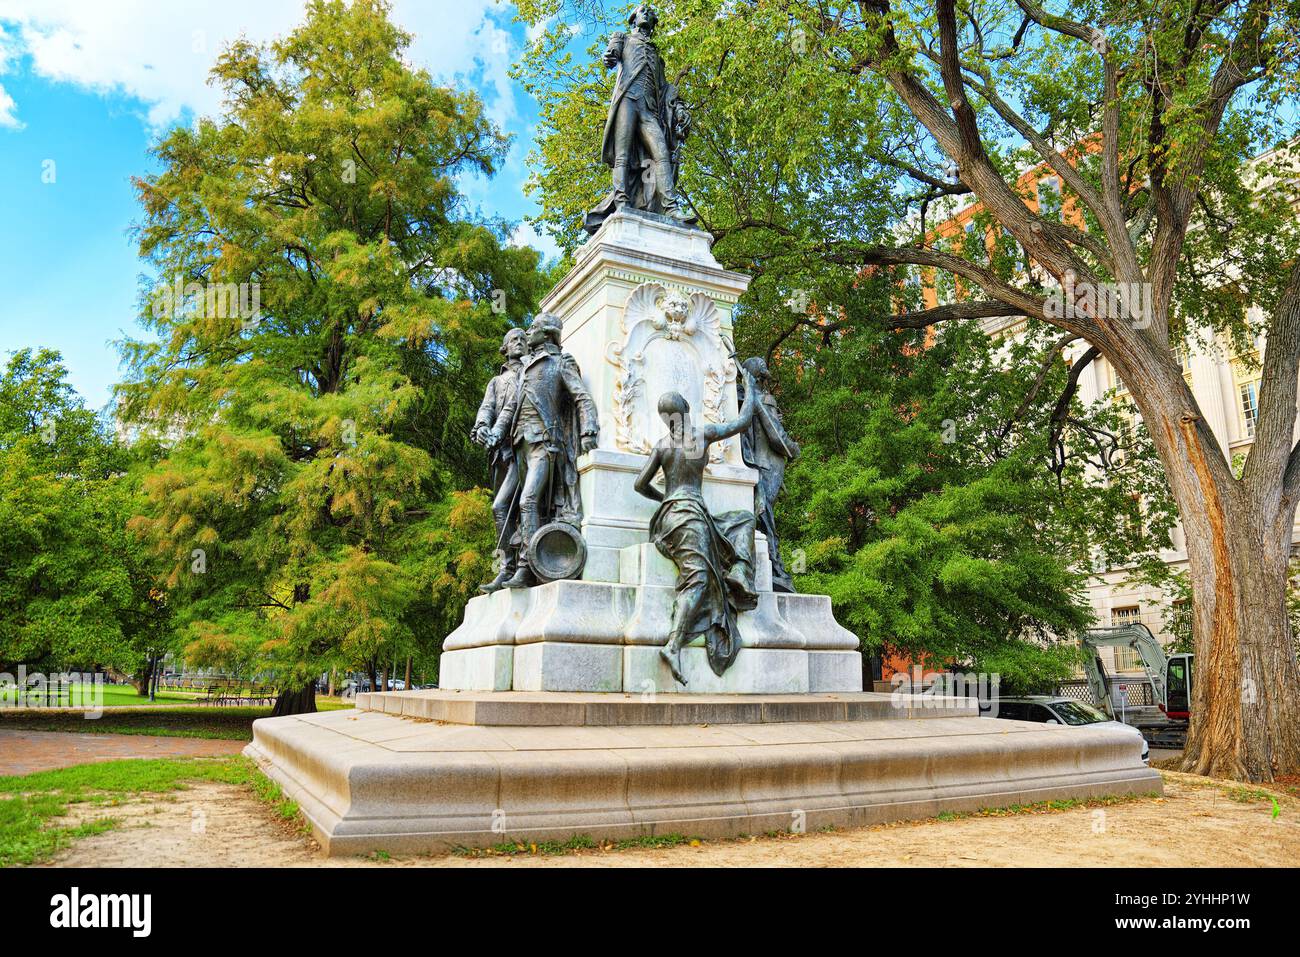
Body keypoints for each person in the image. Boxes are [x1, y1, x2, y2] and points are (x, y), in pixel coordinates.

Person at [633, 365, 759, 685]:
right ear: (686, 409)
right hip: (690, 515)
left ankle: (739, 573)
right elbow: (743, 422)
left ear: (664, 418)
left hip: (673, 514)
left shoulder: (663, 445)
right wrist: (751, 386)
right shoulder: (702, 434)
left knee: (742, 519)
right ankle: (673, 644)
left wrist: (665, 498)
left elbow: (639, 485)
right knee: (699, 577)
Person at [488, 313, 599, 588]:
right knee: (500, 507)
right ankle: (507, 565)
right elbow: (511, 408)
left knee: (528, 501)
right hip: (519, 446)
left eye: (535, 328)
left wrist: (589, 430)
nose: (529, 331)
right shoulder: (525, 366)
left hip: (544, 445)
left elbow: (582, 397)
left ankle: (527, 567)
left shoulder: (560, 364)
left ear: (548, 334)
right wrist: (495, 434)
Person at [583, 3, 693, 233]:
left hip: (649, 110)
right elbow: (611, 57)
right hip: (628, 101)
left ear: (653, 24)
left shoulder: (656, 55)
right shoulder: (622, 38)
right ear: (634, 19)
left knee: (661, 154)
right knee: (622, 154)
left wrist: (680, 110)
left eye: (651, 13)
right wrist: (609, 57)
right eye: (643, 11)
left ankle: (671, 208)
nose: (647, 14)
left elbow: (665, 89)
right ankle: (622, 203)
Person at [738, 357, 801, 592]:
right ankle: (774, 569)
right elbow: (777, 437)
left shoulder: (746, 397)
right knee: (765, 518)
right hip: (766, 466)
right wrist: (794, 448)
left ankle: (772, 568)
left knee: (764, 517)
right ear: (761, 375)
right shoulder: (761, 398)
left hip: (756, 464)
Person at [472, 328, 527, 592]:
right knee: (508, 512)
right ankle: (512, 566)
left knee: (501, 507)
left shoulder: (529, 372)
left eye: (523, 340)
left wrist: (496, 432)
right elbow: (488, 407)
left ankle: (510, 569)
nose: (519, 343)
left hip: (521, 450)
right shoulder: (497, 381)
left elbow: (512, 408)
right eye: (514, 340)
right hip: (500, 454)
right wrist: (482, 427)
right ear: (504, 348)